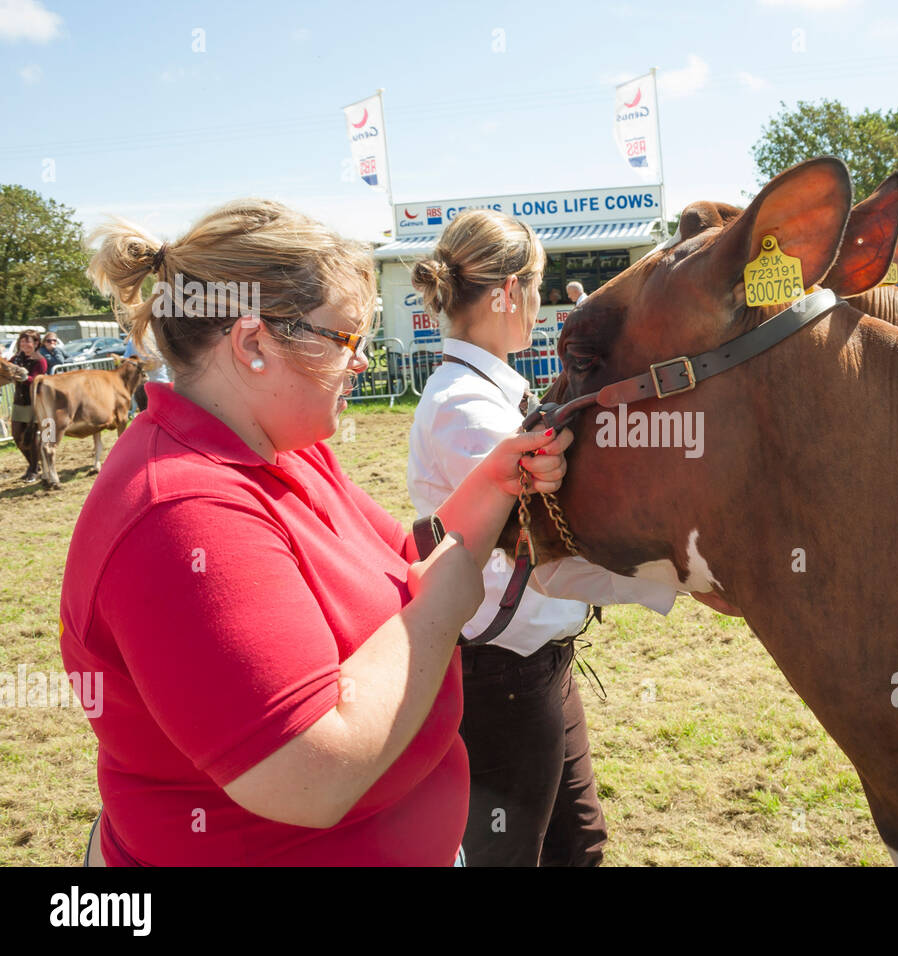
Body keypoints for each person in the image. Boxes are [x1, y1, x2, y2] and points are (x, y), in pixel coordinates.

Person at [61, 200, 571, 866]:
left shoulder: (281, 451)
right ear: (252, 344)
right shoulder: (181, 516)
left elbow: (405, 560)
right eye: (344, 338)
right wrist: (442, 612)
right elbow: (310, 773)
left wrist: (495, 484)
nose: (360, 362)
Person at [408, 210, 677, 867]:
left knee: (577, 845)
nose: (541, 304)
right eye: (536, 287)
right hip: (502, 669)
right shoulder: (463, 407)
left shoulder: (482, 390)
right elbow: (549, 533)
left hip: (535, 661)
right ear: (507, 293)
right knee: (512, 856)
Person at [9, 329, 48, 483]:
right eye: (23, 341)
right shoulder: (16, 358)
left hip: (35, 402)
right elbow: (7, 369)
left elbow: (38, 379)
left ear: (36, 343)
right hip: (19, 402)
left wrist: (25, 377)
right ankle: (34, 465)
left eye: (28, 341)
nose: (25, 344)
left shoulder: (40, 360)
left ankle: (33, 469)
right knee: (17, 436)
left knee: (32, 437)